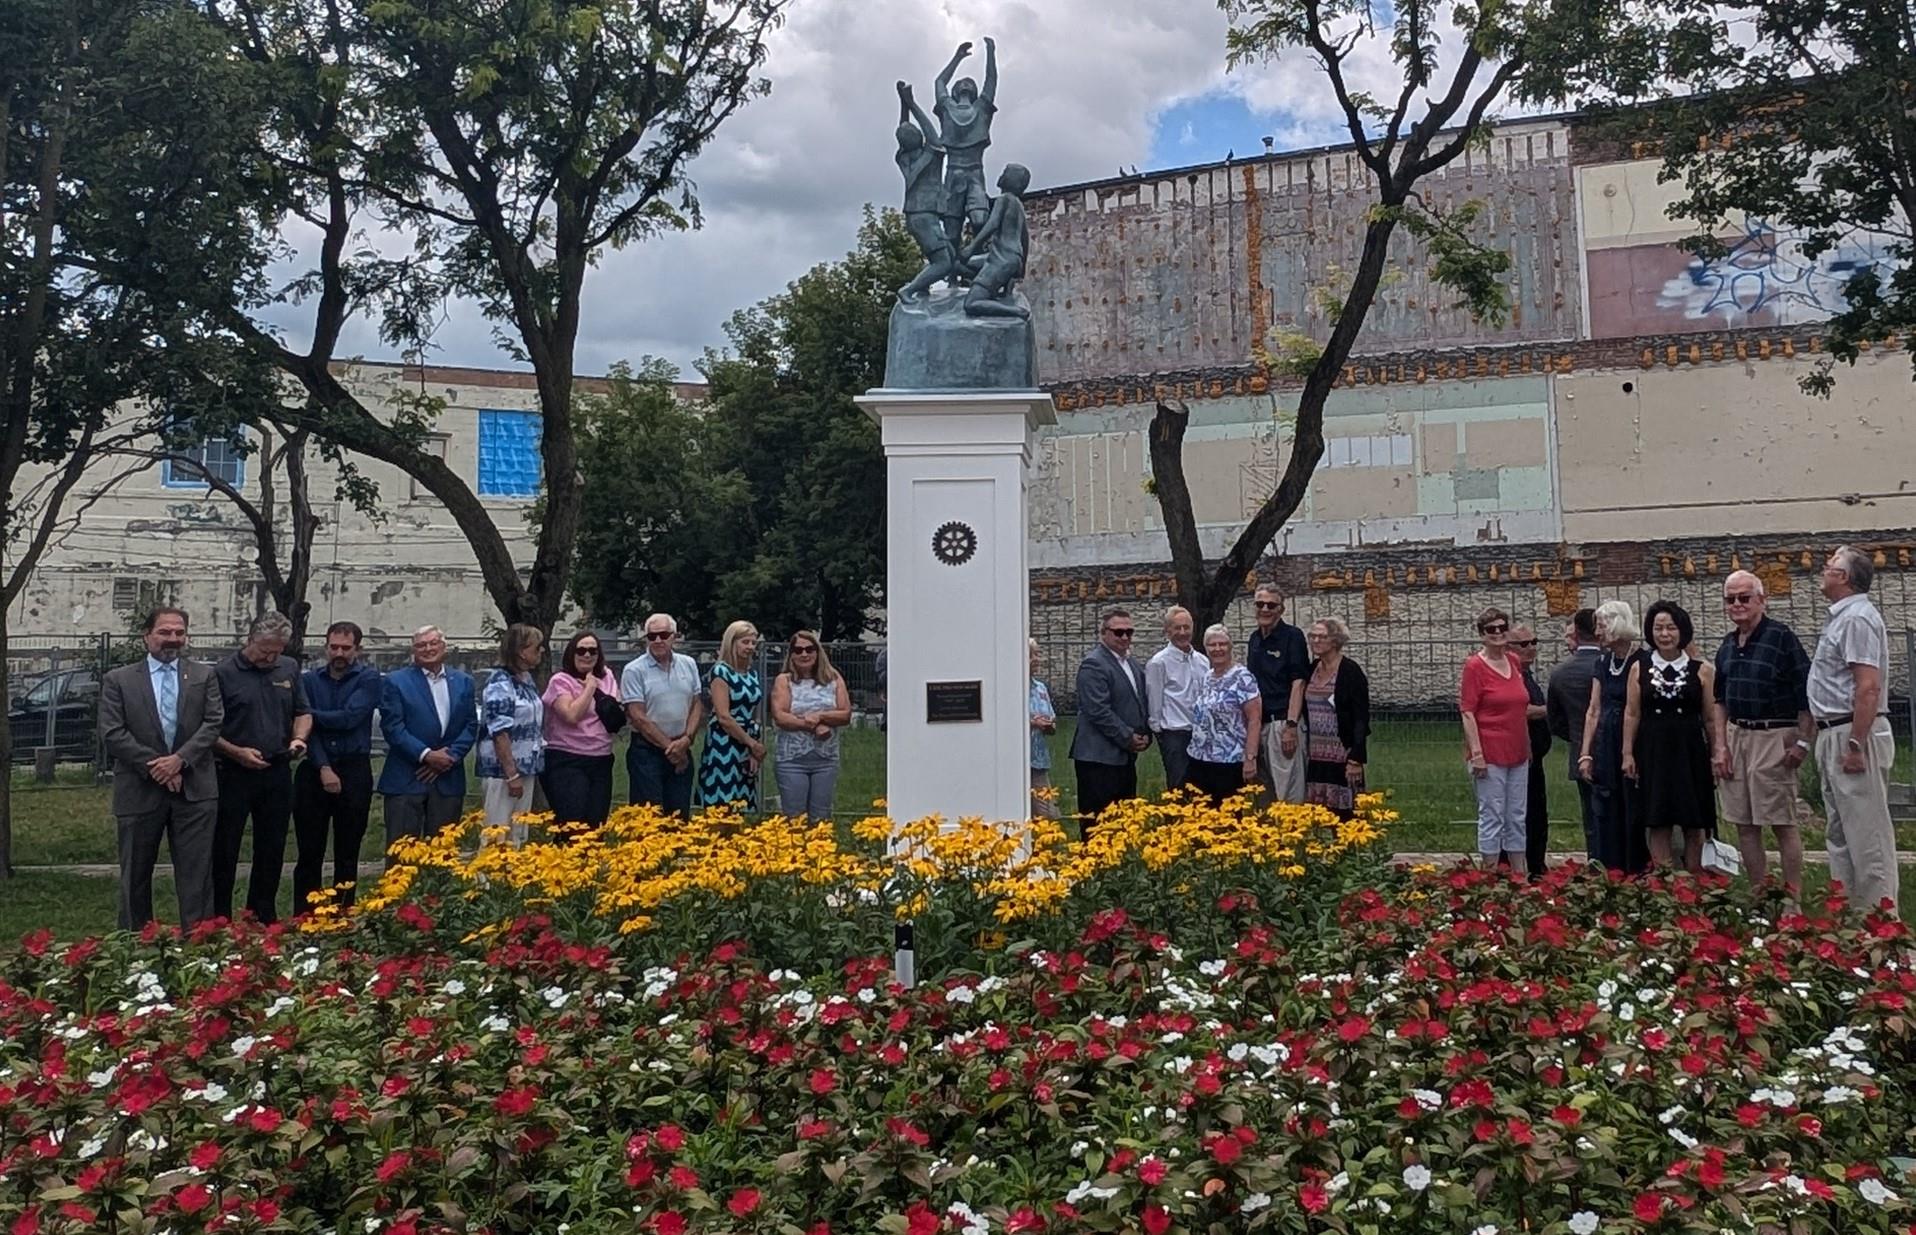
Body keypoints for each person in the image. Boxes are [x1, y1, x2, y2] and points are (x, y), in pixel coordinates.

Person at [99, 607, 224, 929]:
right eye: (165, 632)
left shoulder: (203, 676)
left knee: (197, 874)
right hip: (139, 790)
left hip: (194, 789)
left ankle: (198, 943)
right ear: (147, 636)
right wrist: (156, 766)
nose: (172, 639)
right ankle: (133, 943)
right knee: (135, 874)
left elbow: (213, 723)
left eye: (179, 633)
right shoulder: (119, 680)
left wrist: (179, 760)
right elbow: (112, 732)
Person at [1711, 570, 1814, 893]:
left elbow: (1807, 696)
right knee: (1744, 823)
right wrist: (1720, 745)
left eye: (1744, 597)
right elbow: (1718, 700)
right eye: (1731, 599)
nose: (1737, 604)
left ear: (1761, 600)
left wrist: (1803, 742)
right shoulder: (1727, 645)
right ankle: (1759, 896)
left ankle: (1791, 899)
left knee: (1782, 822)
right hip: (1738, 735)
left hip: (1775, 735)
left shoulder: (1782, 638)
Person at [1808, 545, 1897, 912]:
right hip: (1834, 731)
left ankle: (1881, 926)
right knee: (1840, 832)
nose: (1823, 570)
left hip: (1851, 732)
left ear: (1843, 577)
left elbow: (1867, 686)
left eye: (1829, 566)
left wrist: (1857, 744)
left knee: (1867, 836)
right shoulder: (1842, 617)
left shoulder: (1857, 618)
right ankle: (1849, 919)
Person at [212, 611, 310, 924]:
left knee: (272, 845)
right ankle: (219, 916)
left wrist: (299, 739)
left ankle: (262, 914)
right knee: (225, 846)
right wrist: (237, 752)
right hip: (233, 771)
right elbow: (207, 729)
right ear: (250, 639)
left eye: (277, 651)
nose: (270, 656)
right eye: (265, 650)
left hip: (277, 768)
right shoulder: (223, 673)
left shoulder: (289, 668)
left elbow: (303, 711)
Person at [1622, 600, 1720, 874]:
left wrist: (1717, 754)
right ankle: (1663, 886)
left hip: (1690, 751)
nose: (1665, 634)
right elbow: (1631, 714)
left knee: (1694, 821)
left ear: (1683, 631)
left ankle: (1696, 884)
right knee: (1658, 819)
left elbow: (1711, 719)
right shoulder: (1638, 667)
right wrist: (1627, 753)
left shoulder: (1702, 670)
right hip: (1653, 750)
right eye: (1658, 628)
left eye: (1671, 628)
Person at [292, 621, 380, 913]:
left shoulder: (368, 679)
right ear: (325, 646)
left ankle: (344, 913)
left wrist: (309, 715)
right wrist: (323, 767)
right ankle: (306, 915)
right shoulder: (309, 680)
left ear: (358, 649)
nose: (339, 653)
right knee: (309, 851)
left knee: (347, 850)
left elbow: (349, 718)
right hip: (314, 768)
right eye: (334, 647)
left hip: (354, 769)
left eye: (346, 647)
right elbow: (307, 732)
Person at [377, 625, 478, 849]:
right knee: (401, 855)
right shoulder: (395, 681)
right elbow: (393, 726)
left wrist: (448, 757)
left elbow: (471, 724)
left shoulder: (463, 682)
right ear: (414, 650)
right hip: (406, 778)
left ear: (444, 647)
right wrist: (426, 755)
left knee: (443, 854)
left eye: (433, 643)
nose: (428, 648)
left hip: (448, 779)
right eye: (421, 645)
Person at [1579, 601, 1649, 875]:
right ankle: (1609, 867)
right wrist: (1586, 752)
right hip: (1606, 740)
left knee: (1633, 804)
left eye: (1602, 625)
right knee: (1605, 806)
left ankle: (1636, 868)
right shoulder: (1602, 662)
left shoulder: (1642, 660)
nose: (1597, 632)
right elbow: (1593, 709)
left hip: (1632, 739)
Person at [1459, 607, 1530, 870]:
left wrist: (1528, 746)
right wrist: (1476, 753)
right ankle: (1488, 876)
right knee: (1492, 815)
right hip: (1489, 753)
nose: (1498, 633)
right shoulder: (1474, 666)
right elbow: (1467, 711)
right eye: (1491, 630)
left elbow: (1519, 707)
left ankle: (1519, 874)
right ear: (1482, 635)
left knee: (1516, 816)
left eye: (1502, 628)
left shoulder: (1514, 661)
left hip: (1518, 752)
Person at [1069, 607, 1151, 831]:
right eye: (1118, 632)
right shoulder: (1093, 664)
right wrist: (1128, 737)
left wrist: (1145, 734)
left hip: (1123, 757)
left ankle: (1119, 864)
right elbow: (1097, 711)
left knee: (1124, 821)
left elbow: (1139, 702)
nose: (1125, 637)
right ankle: (1094, 865)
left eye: (1129, 632)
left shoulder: (1132, 664)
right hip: (1098, 758)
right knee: (1097, 822)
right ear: (1103, 633)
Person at [622, 613, 704, 817]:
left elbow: (696, 704)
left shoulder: (689, 664)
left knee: (679, 816)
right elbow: (638, 717)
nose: (658, 640)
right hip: (647, 752)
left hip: (682, 747)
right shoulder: (634, 670)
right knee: (649, 817)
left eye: (663, 635)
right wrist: (671, 749)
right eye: (652, 636)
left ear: (674, 637)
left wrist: (686, 740)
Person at [541, 630, 620, 832]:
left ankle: (591, 862)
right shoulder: (560, 680)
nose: (587, 655)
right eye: (581, 650)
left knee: (596, 824)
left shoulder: (608, 676)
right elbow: (571, 716)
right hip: (567, 758)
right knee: (572, 824)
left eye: (592, 651)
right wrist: (589, 688)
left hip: (601, 758)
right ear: (571, 653)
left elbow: (615, 714)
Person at [771, 631, 851, 820]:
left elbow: (845, 714)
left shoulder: (833, 677)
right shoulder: (784, 680)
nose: (804, 654)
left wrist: (820, 716)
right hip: (792, 760)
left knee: (821, 819)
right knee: (795, 819)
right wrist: (812, 726)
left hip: (826, 759)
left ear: (818, 652)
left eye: (809, 649)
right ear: (791, 654)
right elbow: (780, 716)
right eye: (798, 650)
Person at [478, 624, 547, 843]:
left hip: (526, 766)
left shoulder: (525, 680)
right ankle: (489, 877)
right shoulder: (500, 682)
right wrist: (511, 775)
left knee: (517, 832)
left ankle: (513, 875)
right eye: (537, 647)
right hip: (504, 773)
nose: (542, 651)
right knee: (497, 833)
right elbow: (500, 733)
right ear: (521, 651)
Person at [1185, 625, 1263, 808]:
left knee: (1228, 819)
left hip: (1229, 761)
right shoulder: (1207, 677)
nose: (1218, 649)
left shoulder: (1242, 677)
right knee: (1200, 816)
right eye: (1212, 645)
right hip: (1200, 758)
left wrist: (1250, 758)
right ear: (1205, 648)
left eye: (1222, 644)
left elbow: (1254, 720)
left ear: (1230, 647)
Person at [933, 38, 998, 255]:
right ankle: (951, 277)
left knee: (980, 219)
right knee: (951, 232)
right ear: (954, 90)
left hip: (975, 173)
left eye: (970, 82)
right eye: (961, 82)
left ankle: (981, 262)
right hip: (951, 175)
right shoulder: (947, 108)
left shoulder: (981, 108)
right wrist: (957, 58)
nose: (965, 83)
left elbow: (991, 80)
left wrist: (990, 51)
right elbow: (939, 82)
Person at [1547, 607, 1602, 859]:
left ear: (1577, 634)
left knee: (1591, 817)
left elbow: (1555, 720)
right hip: (1617, 750)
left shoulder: (1560, 674)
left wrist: (1578, 737)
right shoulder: (1613, 666)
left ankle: (1595, 862)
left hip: (1581, 750)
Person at [1302, 618, 1369, 820]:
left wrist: (1356, 758)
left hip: (1342, 753)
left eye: (1322, 636)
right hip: (1316, 754)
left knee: (1346, 815)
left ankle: (1348, 851)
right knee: (1323, 814)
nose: (1315, 641)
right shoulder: (1312, 668)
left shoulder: (1350, 671)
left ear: (1335, 640)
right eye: (1312, 636)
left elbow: (1361, 717)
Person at [1247, 583, 1309, 803]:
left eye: (1271, 605)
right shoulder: (1254, 640)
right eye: (1260, 604)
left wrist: (1291, 726)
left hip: (1282, 724)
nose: (1265, 609)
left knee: (1288, 795)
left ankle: (1292, 836)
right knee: (1262, 794)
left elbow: (1298, 683)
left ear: (1281, 609)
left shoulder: (1293, 637)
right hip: (1258, 725)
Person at [894, 81, 954, 301]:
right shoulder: (931, 157)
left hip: (916, 216)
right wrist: (912, 103)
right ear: (919, 138)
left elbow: (902, 129)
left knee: (951, 256)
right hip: (926, 215)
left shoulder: (904, 158)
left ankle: (921, 289)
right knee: (944, 263)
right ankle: (909, 290)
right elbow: (933, 135)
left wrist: (903, 104)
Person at [699, 620, 766, 810]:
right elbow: (724, 717)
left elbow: (756, 712)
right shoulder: (721, 672)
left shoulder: (751, 674)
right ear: (732, 642)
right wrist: (751, 743)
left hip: (747, 742)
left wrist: (754, 747)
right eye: (745, 642)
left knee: (741, 804)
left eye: (753, 643)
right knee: (722, 805)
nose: (750, 647)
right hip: (724, 744)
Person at [1145, 606, 1204, 793]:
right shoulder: (1158, 663)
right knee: (1178, 790)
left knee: (1200, 788)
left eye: (1186, 627)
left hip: (1201, 734)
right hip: (1175, 735)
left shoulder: (1203, 661)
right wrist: (1159, 733)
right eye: (1177, 628)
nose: (1182, 632)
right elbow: (1154, 700)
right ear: (1167, 630)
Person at [961, 164, 1031, 318]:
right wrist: (1021, 268)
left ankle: (1016, 312)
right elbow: (1025, 239)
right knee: (960, 265)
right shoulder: (1019, 206)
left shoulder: (1004, 199)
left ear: (1012, 180)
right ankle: (990, 285)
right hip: (1010, 258)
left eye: (1005, 173)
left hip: (1001, 259)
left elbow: (992, 224)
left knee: (971, 303)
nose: (1001, 175)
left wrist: (971, 247)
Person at [1512, 623, 1552, 877]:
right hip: (1519, 756)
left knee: (1538, 812)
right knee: (1523, 813)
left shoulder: (1527, 674)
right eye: (1524, 644)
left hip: (1536, 758)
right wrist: (1549, 710)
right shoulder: (1511, 674)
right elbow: (1519, 709)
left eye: (1534, 642)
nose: (1532, 648)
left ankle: (1537, 862)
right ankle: (1521, 864)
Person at [1028, 639, 1059, 820]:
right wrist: (1032, 723)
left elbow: (1052, 719)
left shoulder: (1040, 688)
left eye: (1038, 654)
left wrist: (1049, 725)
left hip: (1038, 760)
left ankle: (1042, 846)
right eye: (1032, 655)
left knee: (1047, 815)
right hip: (1016, 761)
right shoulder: (1010, 688)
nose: (1037, 659)